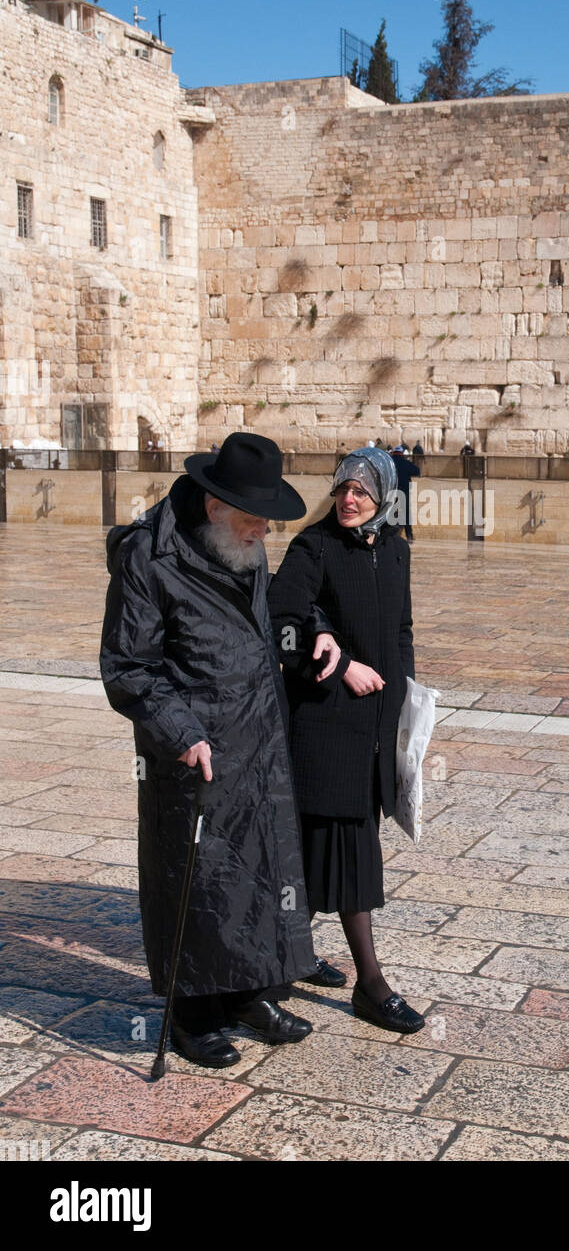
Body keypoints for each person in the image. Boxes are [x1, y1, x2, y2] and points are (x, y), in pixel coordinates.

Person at [100, 433, 328, 1069]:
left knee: (257, 873)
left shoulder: (242, 544)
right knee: (198, 882)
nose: (263, 532)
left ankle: (246, 992)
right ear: (214, 506)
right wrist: (181, 732)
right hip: (191, 750)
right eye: (253, 518)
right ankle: (192, 1015)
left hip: (259, 736)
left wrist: (318, 632)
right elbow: (128, 667)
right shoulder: (149, 557)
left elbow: (269, 618)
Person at [267, 447, 425, 1036]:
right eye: (342, 490)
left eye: (361, 492)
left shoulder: (396, 551)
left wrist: (406, 698)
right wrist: (339, 667)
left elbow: (402, 630)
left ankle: (275, 967)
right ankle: (371, 985)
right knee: (351, 856)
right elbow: (280, 625)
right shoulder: (314, 547)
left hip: (377, 733)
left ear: (383, 496)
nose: (350, 500)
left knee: (312, 863)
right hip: (325, 732)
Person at [391, 444, 420, 542]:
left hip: (392, 492)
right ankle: (409, 535)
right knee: (406, 514)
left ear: (394, 453)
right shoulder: (406, 463)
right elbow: (417, 471)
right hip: (404, 492)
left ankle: (390, 535)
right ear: (402, 454)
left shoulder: (389, 462)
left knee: (391, 513)